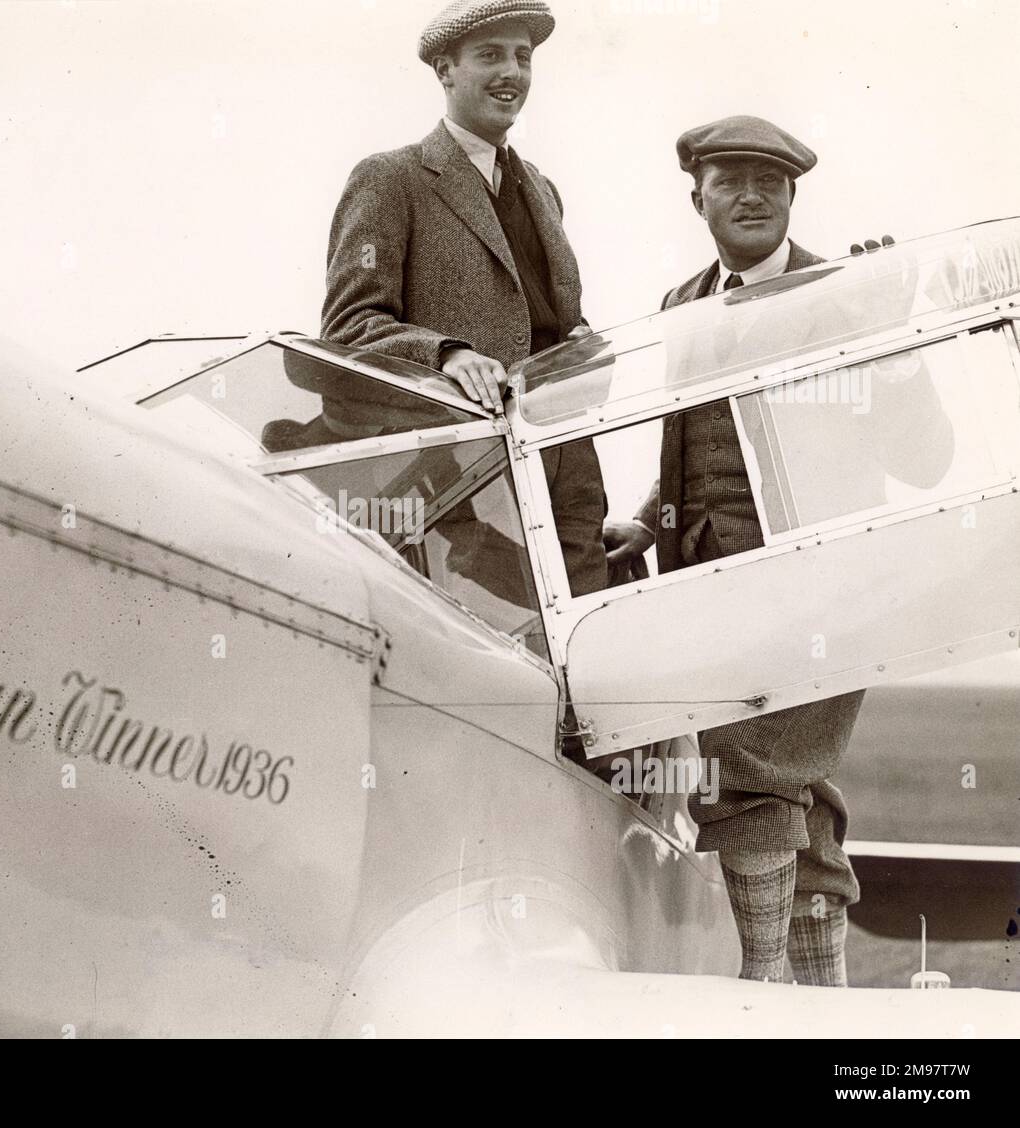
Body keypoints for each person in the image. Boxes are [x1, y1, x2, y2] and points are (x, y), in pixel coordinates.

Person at [606, 116, 952, 986]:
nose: (751, 194)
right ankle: (819, 1008)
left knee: (751, 779)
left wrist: (897, 342)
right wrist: (646, 519)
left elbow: (927, 459)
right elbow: (693, 448)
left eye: (770, 180)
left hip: (816, 596)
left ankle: (764, 993)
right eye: (730, 180)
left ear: (794, 196)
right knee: (802, 797)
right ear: (699, 199)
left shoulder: (847, 293)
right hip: (706, 590)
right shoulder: (681, 305)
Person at [321, 0, 609, 598]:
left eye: (523, 58)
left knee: (589, 646)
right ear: (444, 70)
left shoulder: (544, 190)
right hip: (465, 477)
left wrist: (585, 344)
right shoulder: (389, 178)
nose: (512, 72)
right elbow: (347, 328)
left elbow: (549, 318)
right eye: (490, 56)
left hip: (567, 463)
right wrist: (448, 355)